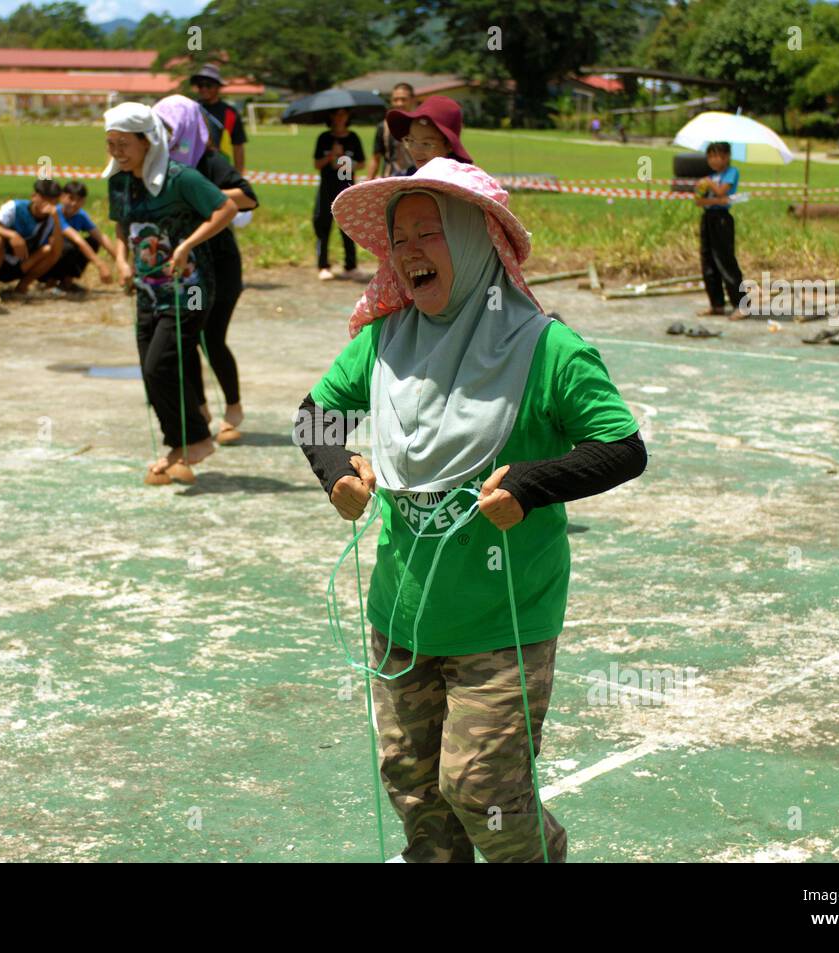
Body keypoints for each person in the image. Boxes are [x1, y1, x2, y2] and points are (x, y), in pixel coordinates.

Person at [296, 157, 647, 862]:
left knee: (482, 786)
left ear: (475, 238)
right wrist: (338, 469)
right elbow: (316, 416)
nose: (410, 252)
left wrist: (534, 483)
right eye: (400, 240)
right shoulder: (384, 342)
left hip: (502, 622)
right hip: (403, 613)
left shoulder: (546, 349)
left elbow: (622, 446)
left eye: (430, 233)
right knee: (415, 785)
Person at [103, 102, 237, 485]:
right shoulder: (120, 181)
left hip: (188, 290)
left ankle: (195, 440)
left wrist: (185, 246)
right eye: (111, 145)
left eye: (124, 144)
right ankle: (179, 448)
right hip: (146, 290)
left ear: (148, 141)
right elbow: (120, 228)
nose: (117, 152)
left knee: (159, 365)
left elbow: (225, 208)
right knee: (151, 372)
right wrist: (122, 261)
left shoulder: (181, 178)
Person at [154, 94, 259, 445]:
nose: (163, 132)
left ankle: (233, 408)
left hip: (220, 261)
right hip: (185, 265)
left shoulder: (207, 159)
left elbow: (247, 196)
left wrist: (199, 192)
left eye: (169, 126)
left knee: (212, 337)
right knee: (187, 337)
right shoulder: (158, 162)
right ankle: (199, 408)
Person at [0, 179, 64, 293]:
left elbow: (57, 251)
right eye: (44, 199)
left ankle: (22, 286)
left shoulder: (54, 218)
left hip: (22, 264)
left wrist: (56, 221)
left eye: (52, 201)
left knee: (49, 250)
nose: (47, 204)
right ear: (34, 196)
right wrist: (12, 235)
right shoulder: (14, 207)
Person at [694, 141, 746, 320]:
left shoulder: (731, 173)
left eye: (719, 156)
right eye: (711, 156)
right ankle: (716, 304)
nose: (715, 160)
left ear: (727, 157)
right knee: (708, 261)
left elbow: (722, 194)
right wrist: (702, 189)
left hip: (722, 220)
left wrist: (709, 186)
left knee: (725, 261)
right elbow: (700, 201)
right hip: (708, 218)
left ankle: (740, 304)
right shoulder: (710, 176)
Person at [313, 107, 366, 281]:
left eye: (343, 114)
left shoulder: (353, 138)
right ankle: (323, 265)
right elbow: (316, 164)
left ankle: (350, 266)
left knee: (348, 226)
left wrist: (344, 160)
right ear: (330, 117)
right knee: (323, 225)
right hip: (327, 187)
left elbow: (362, 163)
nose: (339, 118)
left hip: (346, 188)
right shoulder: (324, 138)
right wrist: (330, 157)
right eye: (336, 114)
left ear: (348, 117)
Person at [43, 180, 114, 292]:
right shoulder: (55, 213)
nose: (74, 203)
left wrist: (120, 260)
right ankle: (50, 283)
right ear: (62, 197)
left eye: (79, 200)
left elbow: (100, 237)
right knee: (68, 246)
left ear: (84, 201)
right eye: (71, 198)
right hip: (45, 258)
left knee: (93, 241)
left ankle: (67, 282)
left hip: (66, 250)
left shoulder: (80, 215)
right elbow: (78, 240)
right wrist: (100, 265)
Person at [383, 95, 473, 175]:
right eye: (410, 140)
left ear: (449, 145)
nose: (416, 150)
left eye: (426, 144)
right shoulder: (405, 178)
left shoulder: (464, 183)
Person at [190, 64, 247, 174]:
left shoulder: (230, 113)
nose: (204, 89)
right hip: (194, 168)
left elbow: (238, 145)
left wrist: (239, 174)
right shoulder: (191, 109)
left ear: (218, 87)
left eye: (208, 85)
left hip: (220, 168)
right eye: (200, 85)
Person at [367, 83, 415, 180]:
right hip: (390, 181)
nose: (399, 103)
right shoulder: (383, 127)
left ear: (412, 100)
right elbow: (376, 158)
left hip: (416, 179)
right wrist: (368, 182)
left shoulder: (420, 125)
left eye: (403, 99)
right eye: (395, 100)